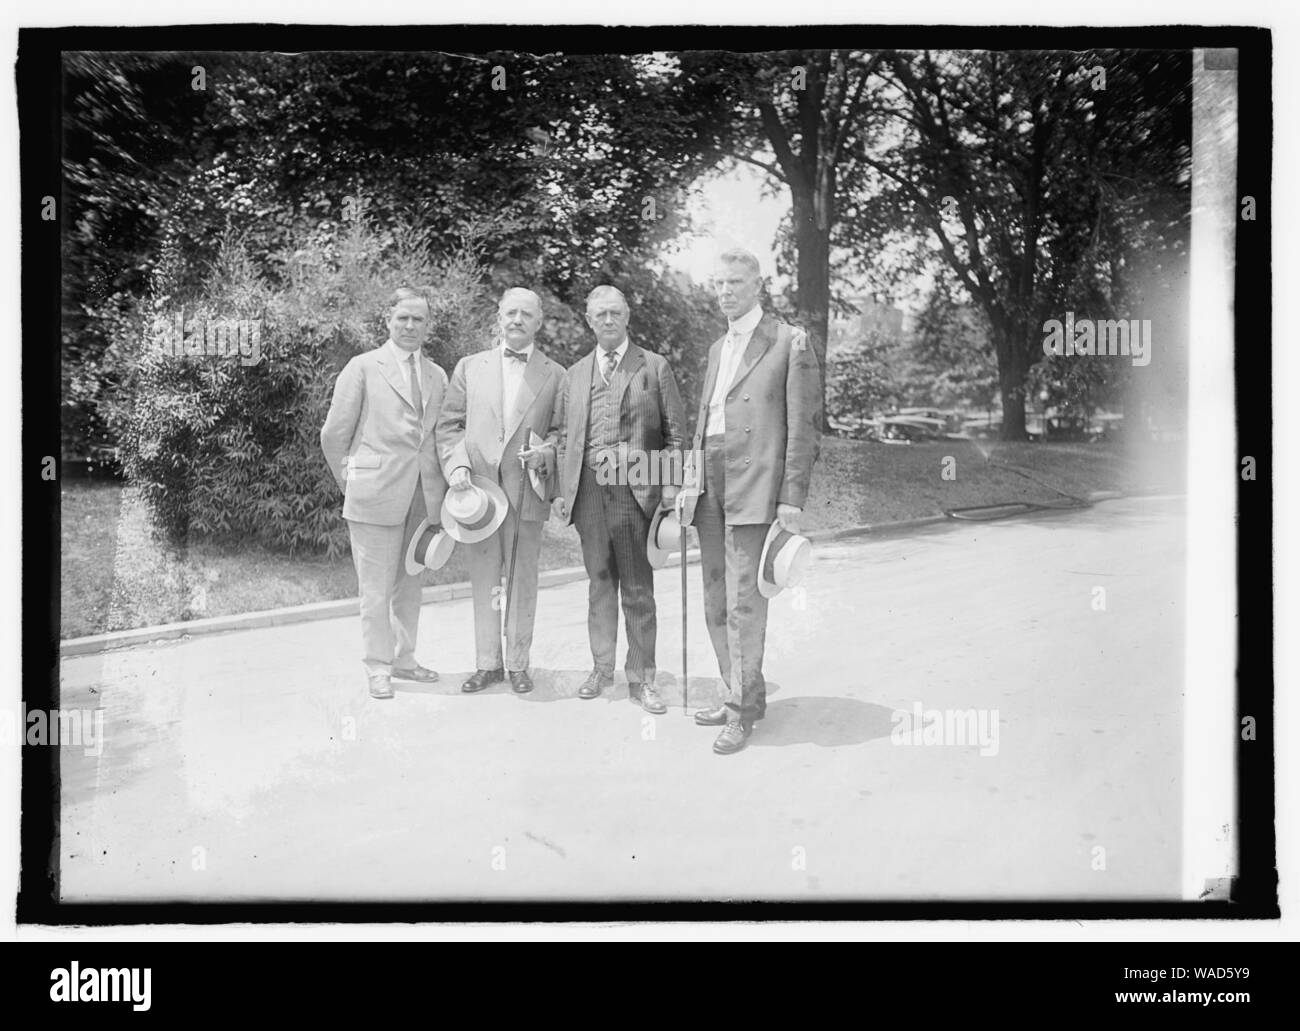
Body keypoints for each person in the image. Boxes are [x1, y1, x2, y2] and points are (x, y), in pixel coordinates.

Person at [678, 250, 822, 754]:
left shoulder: (788, 341)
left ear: (759, 284)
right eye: (718, 283)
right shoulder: (718, 347)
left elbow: (803, 426)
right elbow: (705, 419)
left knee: (745, 601)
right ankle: (737, 690)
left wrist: (792, 497)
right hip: (711, 478)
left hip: (756, 482)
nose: (725, 291)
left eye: (735, 282)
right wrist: (688, 479)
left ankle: (741, 713)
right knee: (715, 598)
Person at [551, 285, 687, 713]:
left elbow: (676, 436)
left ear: (627, 316)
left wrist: (667, 491)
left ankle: (643, 678)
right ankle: (600, 667)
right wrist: (561, 489)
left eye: (615, 313)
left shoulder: (653, 366)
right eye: (599, 315)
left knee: (638, 589)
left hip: (637, 490)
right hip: (590, 490)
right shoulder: (574, 375)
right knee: (599, 585)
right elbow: (562, 438)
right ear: (588, 321)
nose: (608, 321)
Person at [320, 286, 449, 700]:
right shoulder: (362, 367)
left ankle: (405, 660)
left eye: (419, 320)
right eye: (403, 318)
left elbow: (438, 437)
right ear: (388, 321)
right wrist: (353, 484)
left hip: (421, 498)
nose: (410, 326)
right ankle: (378, 667)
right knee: (374, 590)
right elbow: (333, 436)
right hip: (373, 495)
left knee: (409, 587)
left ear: (428, 326)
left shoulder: (437, 374)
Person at [435, 287, 563, 695]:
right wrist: (457, 466)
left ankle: (519, 664)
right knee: (486, 580)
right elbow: (449, 425)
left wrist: (545, 453)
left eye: (527, 314)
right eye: (511, 312)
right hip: (480, 494)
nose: (517, 320)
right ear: (499, 316)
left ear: (539, 322)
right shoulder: (470, 367)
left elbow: (563, 433)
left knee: (522, 580)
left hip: (528, 490)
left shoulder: (555, 374)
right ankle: (486, 663)